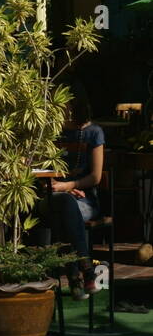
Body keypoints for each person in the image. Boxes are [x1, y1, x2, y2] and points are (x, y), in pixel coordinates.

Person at [48, 89, 104, 300]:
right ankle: (87, 271)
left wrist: (68, 185)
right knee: (64, 205)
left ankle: (74, 277)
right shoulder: (51, 132)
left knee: (65, 209)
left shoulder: (94, 132)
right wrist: (62, 188)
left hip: (84, 198)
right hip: (55, 195)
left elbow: (96, 177)